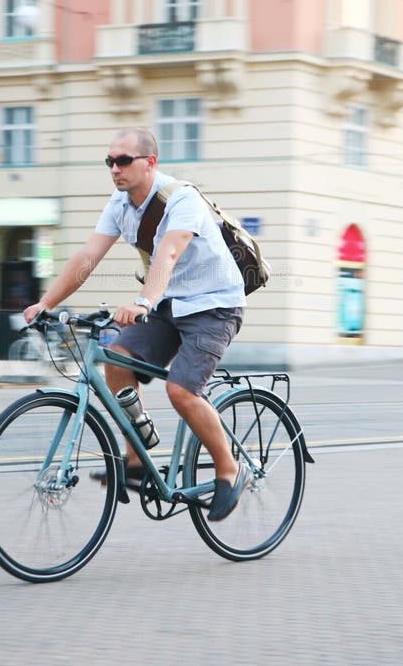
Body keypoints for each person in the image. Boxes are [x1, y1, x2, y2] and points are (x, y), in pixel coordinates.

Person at [23, 127, 251, 521]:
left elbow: (169, 251)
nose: (115, 168)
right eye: (109, 161)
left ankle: (229, 470)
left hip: (214, 306)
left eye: (123, 160)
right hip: (169, 305)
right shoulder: (119, 204)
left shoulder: (183, 199)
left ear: (150, 162)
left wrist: (144, 301)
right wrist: (45, 303)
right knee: (117, 357)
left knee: (181, 391)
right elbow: (87, 257)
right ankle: (134, 459)